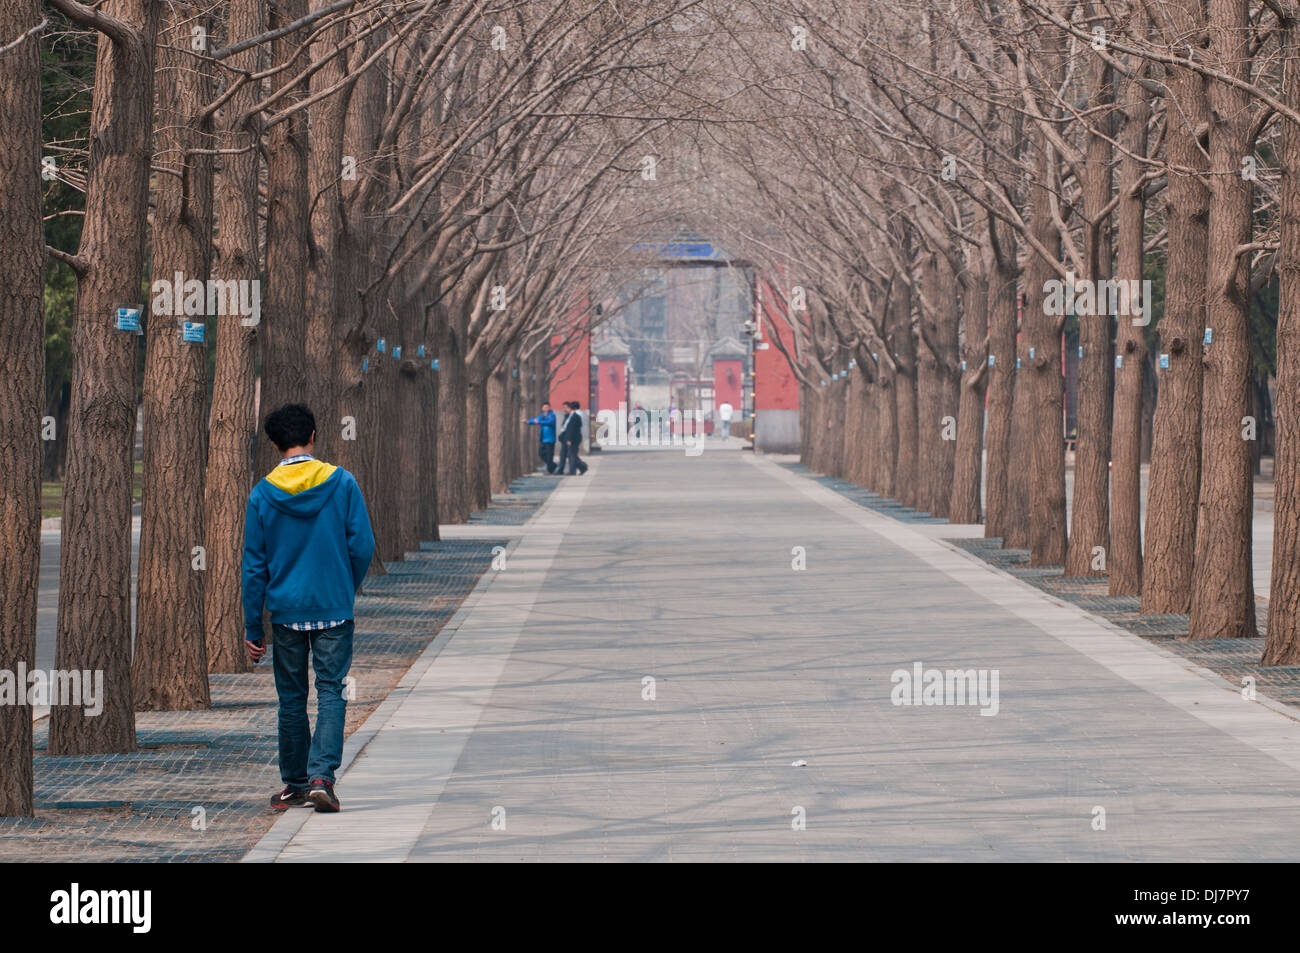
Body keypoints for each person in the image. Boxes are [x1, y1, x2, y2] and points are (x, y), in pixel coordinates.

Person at [243, 403, 375, 814]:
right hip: (333, 607)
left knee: (292, 698)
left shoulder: (263, 494)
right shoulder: (342, 482)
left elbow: (254, 566)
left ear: (274, 444)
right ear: (314, 436)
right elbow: (363, 546)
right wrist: (342, 587)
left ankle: (296, 784)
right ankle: (323, 779)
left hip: (285, 613)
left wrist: (253, 625)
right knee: (331, 690)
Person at [524, 401, 558, 474]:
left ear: (549, 408)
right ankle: (552, 465)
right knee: (541, 453)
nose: (545, 408)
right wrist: (528, 421)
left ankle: (550, 470)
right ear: (542, 408)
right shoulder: (542, 416)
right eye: (544, 407)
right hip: (543, 438)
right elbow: (535, 420)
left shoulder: (552, 415)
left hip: (550, 439)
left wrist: (540, 422)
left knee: (549, 455)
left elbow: (550, 422)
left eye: (547, 407)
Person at [560, 400, 588, 475]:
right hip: (571, 437)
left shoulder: (575, 416)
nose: (565, 410)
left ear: (571, 408)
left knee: (571, 454)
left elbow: (572, 429)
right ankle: (582, 467)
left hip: (574, 438)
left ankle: (575, 470)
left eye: (567, 408)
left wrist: (569, 439)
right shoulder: (570, 416)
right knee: (571, 454)